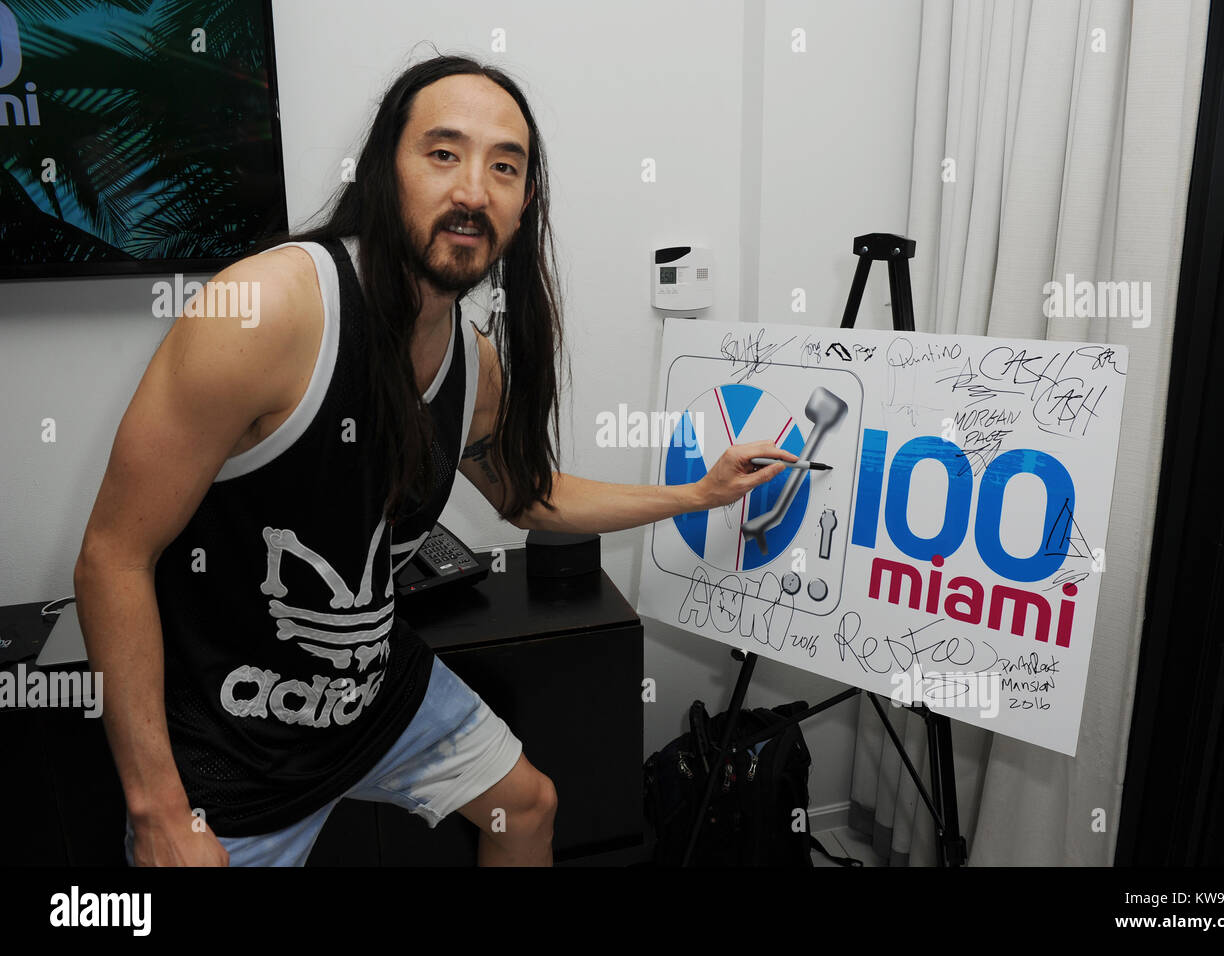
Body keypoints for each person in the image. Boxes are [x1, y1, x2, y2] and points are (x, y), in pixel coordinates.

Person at [72, 54, 796, 867]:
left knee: (527, 807)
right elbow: (111, 557)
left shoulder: (473, 364)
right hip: (230, 746)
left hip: (370, 691)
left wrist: (696, 493)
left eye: (505, 167)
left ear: (524, 208)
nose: (474, 190)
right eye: (443, 153)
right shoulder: (266, 312)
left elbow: (529, 498)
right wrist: (160, 811)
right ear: (386, 171)